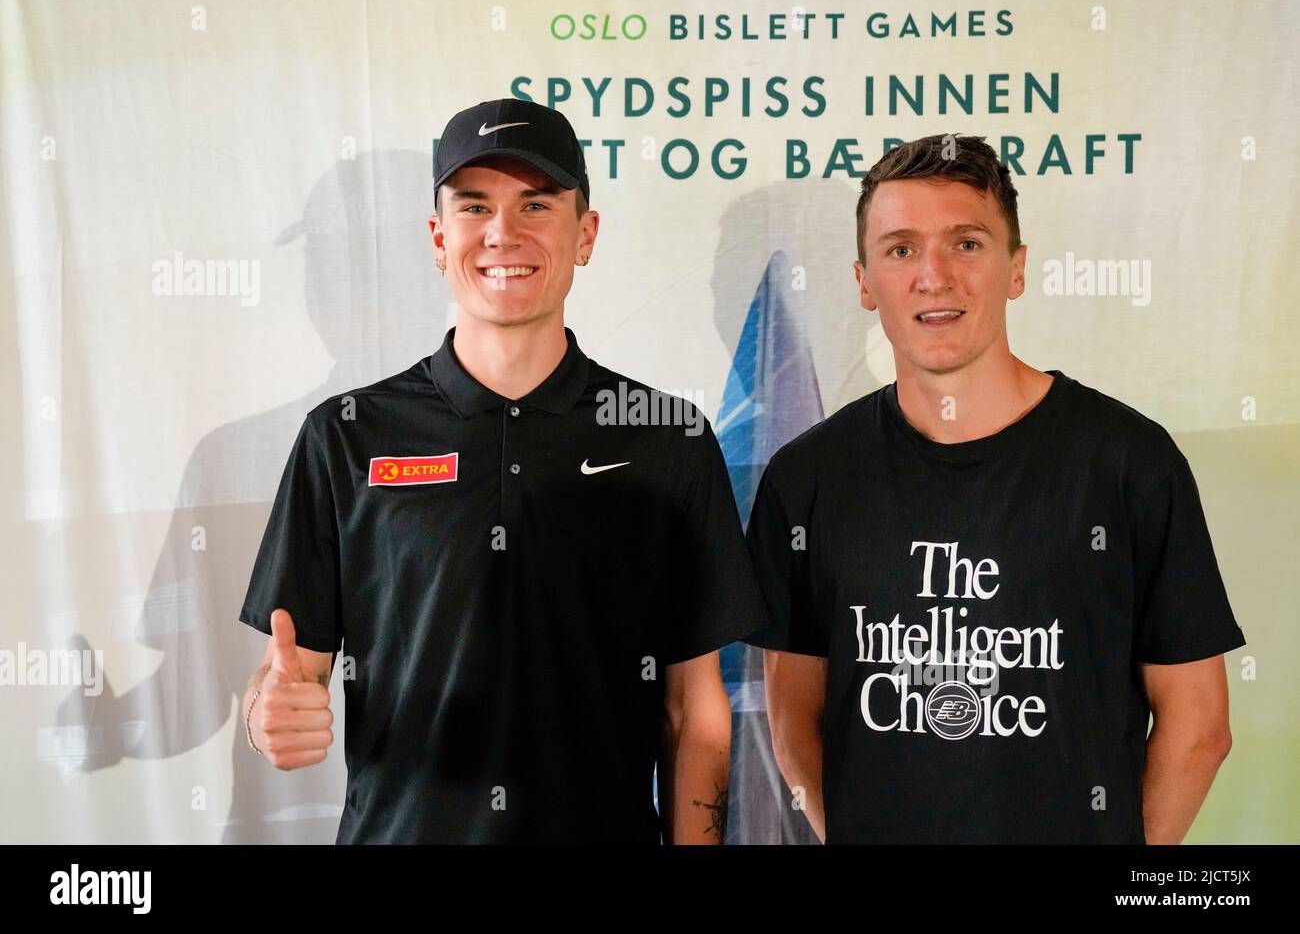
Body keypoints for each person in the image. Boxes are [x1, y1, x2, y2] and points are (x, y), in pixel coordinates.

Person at [238, 98, 769, 843]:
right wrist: (268, 719)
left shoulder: (667, 438)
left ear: (584, 234)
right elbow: (289, 673)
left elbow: (696, 710)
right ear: (437, 236)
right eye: (474, 205)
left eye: (536, 204)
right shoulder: (347, 437)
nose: (501, 233)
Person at [745, 133, 1246, 844]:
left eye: (967, 244)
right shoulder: (808, 480)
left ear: (1016, 269)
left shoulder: (1129, 463)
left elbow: (1200, 729)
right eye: (900, 249)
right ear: (864, 281)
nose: (934, 276)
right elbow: (796, 729)